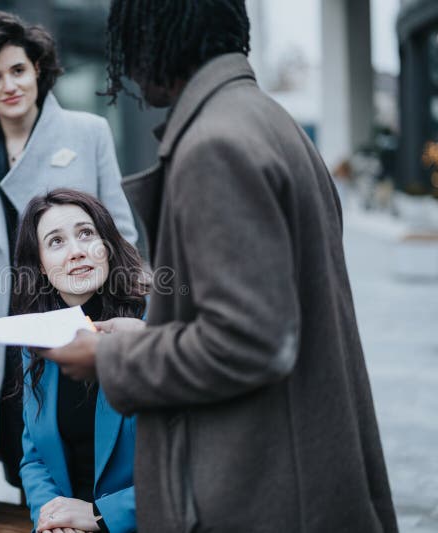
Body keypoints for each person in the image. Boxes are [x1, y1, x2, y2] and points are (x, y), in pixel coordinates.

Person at [40, 1, 398, 532]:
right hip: (308, 471)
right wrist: (147, 331)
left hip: (264, 490)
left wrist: (114, 355)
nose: (130, 72)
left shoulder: (215, 145)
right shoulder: (271, 121)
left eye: (129, 47)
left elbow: (249, 340)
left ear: (155, 37)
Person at [0, 9, 138, 518]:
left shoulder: (87, 132)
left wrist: (132, 324)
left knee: (97, 442)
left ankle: (96, 517)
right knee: (28, 452)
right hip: (0, 332)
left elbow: (121, 231)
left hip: (77, 316)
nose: (9, 86)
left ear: (39, 70)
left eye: (18, 70)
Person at [12, 189, 146, 533]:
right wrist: (53, 520)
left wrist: (103, 516)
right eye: (56, 242)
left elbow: (198, 460)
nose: (76, 252)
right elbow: (35, 457)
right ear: (40, 265)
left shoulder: (154, 330)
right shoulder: (38, 339)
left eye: (86, 233)